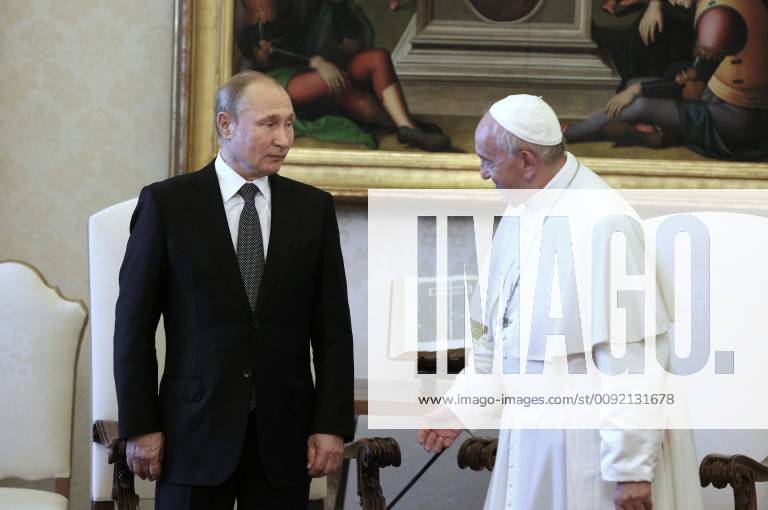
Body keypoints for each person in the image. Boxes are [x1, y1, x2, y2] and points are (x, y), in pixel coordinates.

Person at [418, 95, 703, 510]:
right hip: (536, 443)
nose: (483, 174)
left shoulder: (606, 223)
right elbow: (500, 334)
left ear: (528, 162)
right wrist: (462, 408)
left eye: (489, 161)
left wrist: (630, 471)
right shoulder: (520, 214)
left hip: (589, 454)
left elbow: (634, 362)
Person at [114, 70, 355, 509]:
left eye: (289, 124)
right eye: (269, 124)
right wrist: (141, 425)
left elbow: (333, 330)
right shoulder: (167, 205)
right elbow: (133, 326)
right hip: (191, 431)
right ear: (226, 125)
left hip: (284, 436)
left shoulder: (312, 209)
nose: (284, 138)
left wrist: (331, 425)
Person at [236, 0, 452, 151]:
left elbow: (353, 46)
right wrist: (315, 61)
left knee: (376, 58)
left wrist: (339, 5)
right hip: (278, 77)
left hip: (327, 68)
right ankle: (405, 127)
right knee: (332, 82)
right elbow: (263, 51)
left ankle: (407, 127)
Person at [567, 0, 768, 160]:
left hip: (740, 123)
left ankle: (569, 134)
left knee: (639, 104)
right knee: (632, 84)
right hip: (720, 93)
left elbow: (691, 87)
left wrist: (638, 90)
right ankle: (659, 136)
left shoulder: (720, 18)